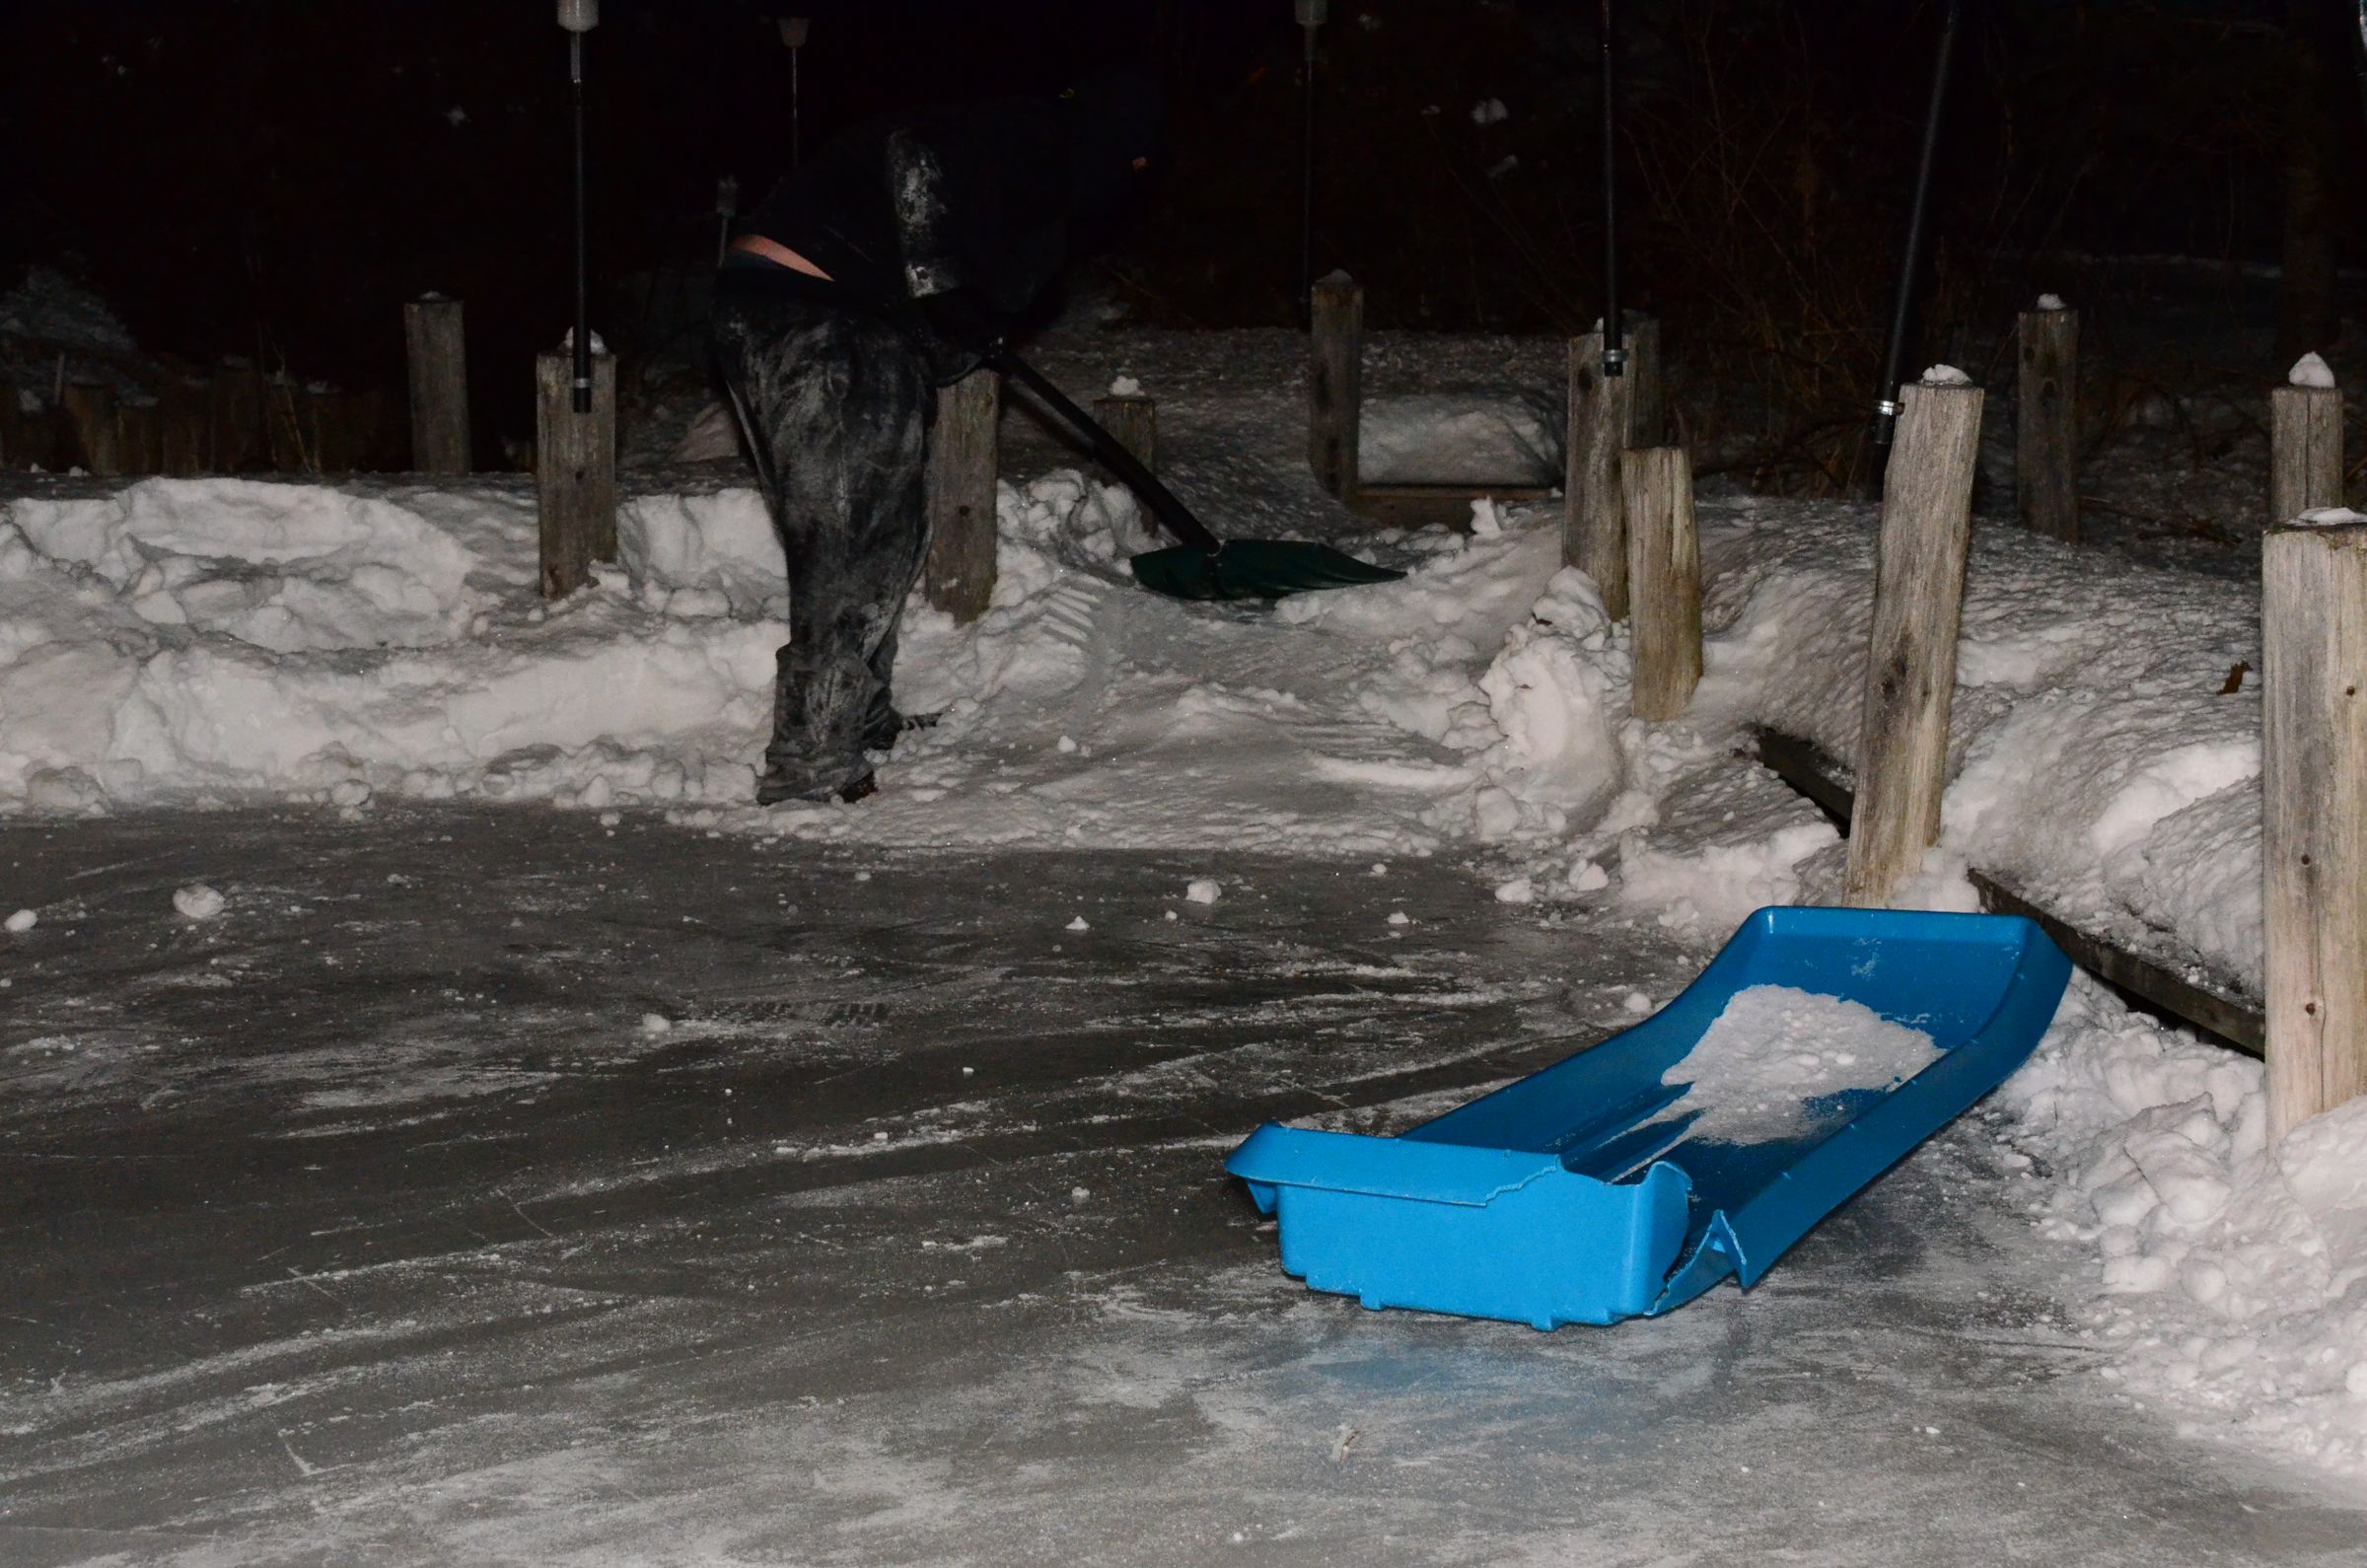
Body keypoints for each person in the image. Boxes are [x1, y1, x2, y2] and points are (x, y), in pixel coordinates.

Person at [712, 72, 1163, 805]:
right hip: (814, 305)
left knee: (890, 530)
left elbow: (959, 324)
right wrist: (940, 284)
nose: (1132, 180)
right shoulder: (1032, 131)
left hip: (838, 315)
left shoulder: (1040, 203)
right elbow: (915, 157)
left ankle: (858, 715)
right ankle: (810, 760)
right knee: (851, 540)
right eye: (1135, 162)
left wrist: (963, 322)